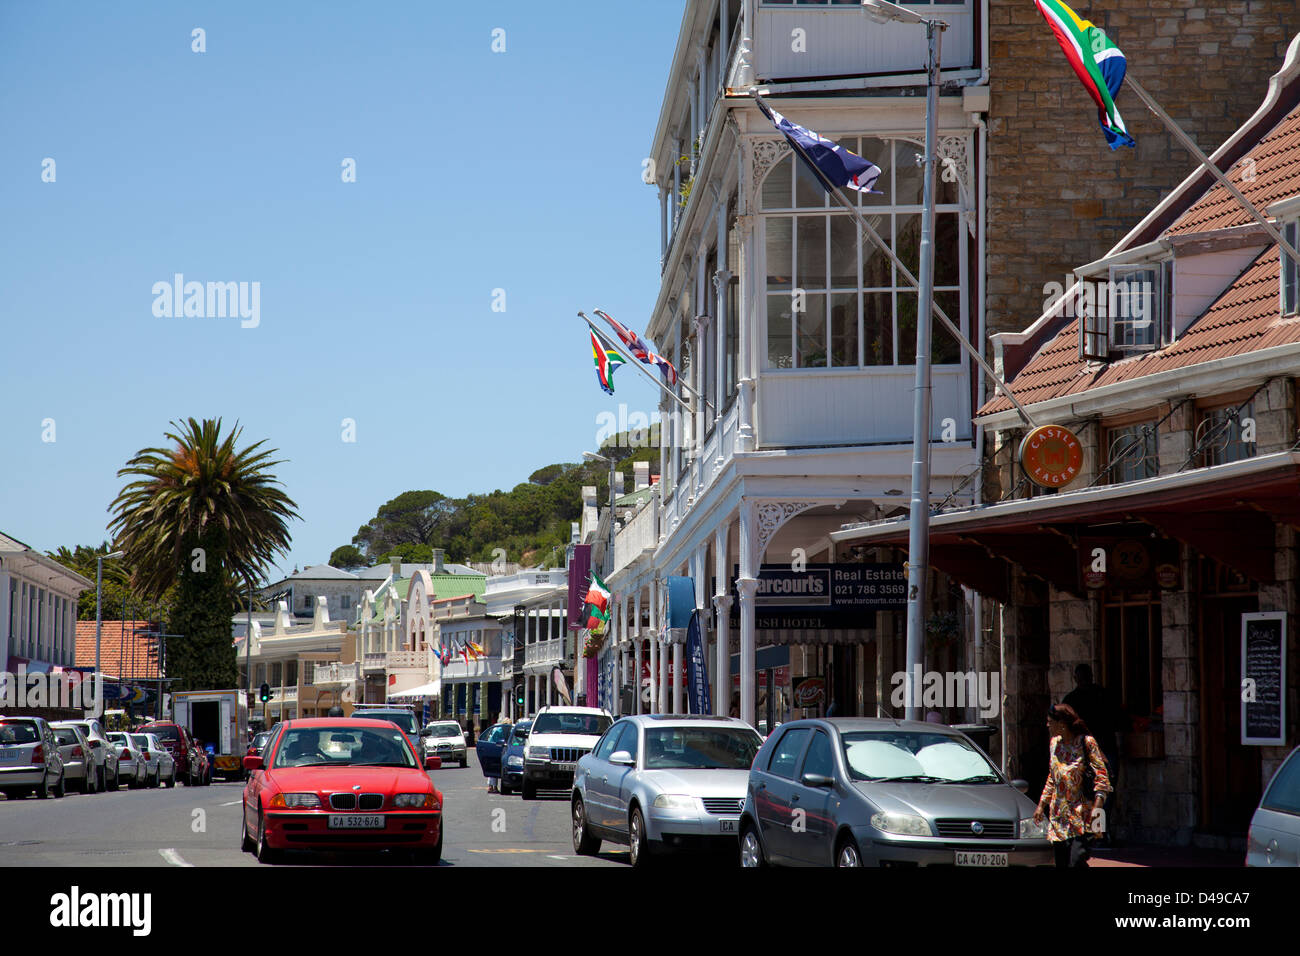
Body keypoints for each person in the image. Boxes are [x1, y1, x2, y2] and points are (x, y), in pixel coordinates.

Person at [1034, 703, 1111, 868]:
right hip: (1059, 815)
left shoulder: (1086, 742)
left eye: (1050, 722)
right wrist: (1042, 805)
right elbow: (1052, 777)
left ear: (1061, 724)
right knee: (1062, 864)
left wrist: (1098, 808)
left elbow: (1102, 775)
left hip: (1084, 814)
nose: (1047, 725)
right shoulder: (1054, 744)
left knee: (1076, 860)